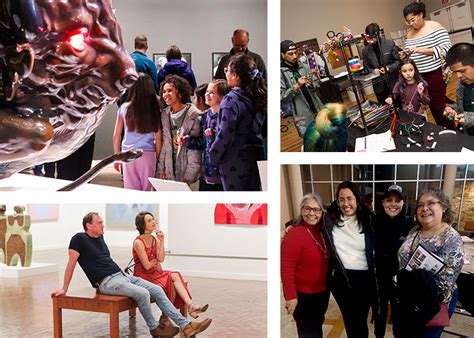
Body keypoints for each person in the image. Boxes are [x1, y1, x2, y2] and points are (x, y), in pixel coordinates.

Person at [51, 212, 212, 337]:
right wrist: (64, 288)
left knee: (156, 290)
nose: (103, 224)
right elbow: (71, 265)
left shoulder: (100, 237)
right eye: (99, 222)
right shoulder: (78, 239)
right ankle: (154, 328)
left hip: (122, 275)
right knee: (143, 293)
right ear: (89, 225)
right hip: (106, 282)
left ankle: (186, 326)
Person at [398, 187, 464, 337]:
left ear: (444, 207)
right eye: (420, 205)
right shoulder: (415, 230)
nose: (424, 208)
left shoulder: (451, 238)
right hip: (408, 298)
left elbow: (445, 280)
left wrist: (408, 282)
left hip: (433, 303)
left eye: (431, 203)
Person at [132, 211, 208, 326]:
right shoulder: (138, 242)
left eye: (153, 219)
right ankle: (165, 316)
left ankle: (191, 306)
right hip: (143, 276)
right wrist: (156, 259)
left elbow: (161, 258)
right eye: (149, 220)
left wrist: (161, 241)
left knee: (175, 275)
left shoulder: (155, 239)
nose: (153, 222)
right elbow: (147, 265)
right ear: (142, 225)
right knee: (170, 281)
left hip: (155, 273)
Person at [323, 181, 377, 338]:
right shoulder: (330, 218)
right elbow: (310, 217)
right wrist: (291, 225)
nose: (346, 203)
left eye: (349, 198)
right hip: (341, 278)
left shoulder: (369, 219)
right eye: (341, 199)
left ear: (357, 199)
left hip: (364, 279)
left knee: (360, 321)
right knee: (350, 320)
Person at [208, 54, 266, 191]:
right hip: (256, 155)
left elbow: (225, 134)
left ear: (235, 75)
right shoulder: (258, 94)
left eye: (227, 70)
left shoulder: (231, 99)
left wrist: (212, 156)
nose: (225, 74)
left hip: (235, 161)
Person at [281, 193, 330, 338]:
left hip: (322, 292)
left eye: (316, 210)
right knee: (307, 331)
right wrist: (291, 296)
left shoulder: (324, 231)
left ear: (322, 212)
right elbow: (286, 267)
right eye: (307, 209)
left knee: (317, 326)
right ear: (301, 210)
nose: (312, 213)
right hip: (302, 295)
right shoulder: (294, 234)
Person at [401, 2, 452, 127]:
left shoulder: (435, 27)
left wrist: (420, 49)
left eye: (413, 20)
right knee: (420, 106)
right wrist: (405, 55)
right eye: (408, 22)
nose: (411, 24)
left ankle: (450, 131)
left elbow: (447, 49)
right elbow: (411, 53)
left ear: (421, 14)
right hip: (417, 76)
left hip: (434, 74)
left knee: (438, 106)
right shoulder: (409, 34)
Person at [373, 185, 415, 338]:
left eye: (398, 200)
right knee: (379, 315)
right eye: (389, 200)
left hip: (401, 281)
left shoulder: (411, 225)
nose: (393, 204)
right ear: (383, 202)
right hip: (379, 279)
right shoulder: (374, 221)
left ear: (403, 203)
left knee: (399, 318)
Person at [112, 73, 162, 191]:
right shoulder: (156, 109)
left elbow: (116, 136)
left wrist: (117, 156)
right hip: (148, 154)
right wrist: (156, 157)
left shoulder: (124, 108)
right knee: (147, 192)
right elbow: (159, 137)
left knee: (130, 193)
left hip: (128, 155)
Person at [157, 75, 202, 185]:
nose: (166, 94)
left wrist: (190, 174)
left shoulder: (194, 115)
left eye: (170, 91)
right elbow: (165, 144)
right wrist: (161, 168)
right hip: (169, 166)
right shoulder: (164, 114)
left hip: (185, 167)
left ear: (180, 93)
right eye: (164, 91)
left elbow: (195, 150)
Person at [281, 40, 324, 137]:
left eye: (296, 52)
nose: (295, 56)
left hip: (317, 106)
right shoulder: (280, 73)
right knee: (311, 138)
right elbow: (282, 95)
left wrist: (312, 84)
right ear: (282, 55)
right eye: (290, 54)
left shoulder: (304, 66)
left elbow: (317, 83)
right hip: (301, 112)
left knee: (326, 132)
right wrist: (296, 86)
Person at [199, 80, 230, 191]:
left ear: (222, 97)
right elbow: (200, 141)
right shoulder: (204, 115)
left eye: (212, 92)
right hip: (207, 171)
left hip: (223, 173)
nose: (207, 94)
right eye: (207, 91)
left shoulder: (226, 116)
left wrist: (213, 135)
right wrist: (187, 140)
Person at [361, 23, 401, 104]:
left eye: (373, 37)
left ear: (378, 34)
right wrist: (373, 70)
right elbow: (366, 67)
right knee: (384, 110)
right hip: (379, 86)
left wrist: (388, 68)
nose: (371, 40)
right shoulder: (365, 51)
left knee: (399, 107)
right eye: (369, 38)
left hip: (394, 84)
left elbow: (398, 61)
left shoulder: (389, 44)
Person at [443, 43, 474, 135]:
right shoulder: (461, 84)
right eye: (455, 72)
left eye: (462, 71)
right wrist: (453, 110)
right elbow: (462, 106)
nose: (459, 76)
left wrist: (469, 119)